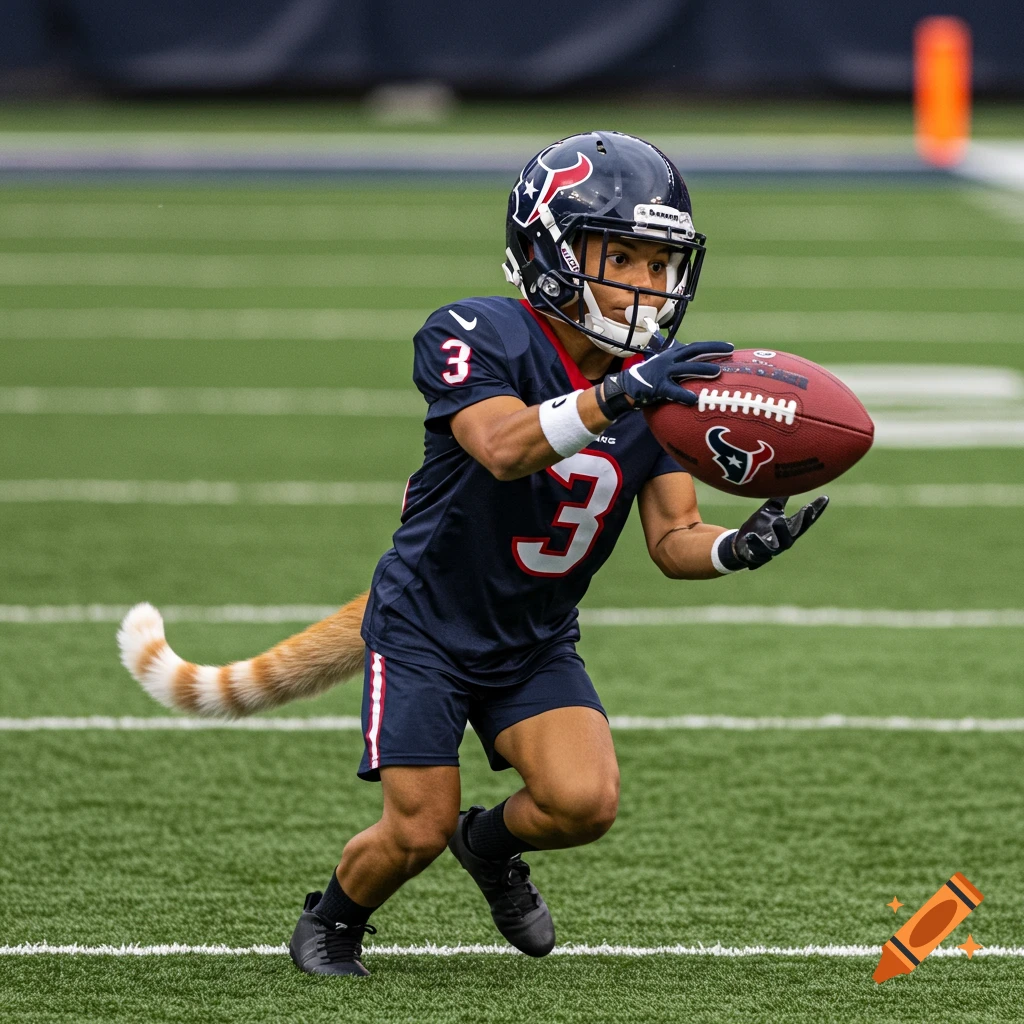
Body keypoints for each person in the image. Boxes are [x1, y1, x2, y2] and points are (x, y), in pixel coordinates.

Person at [288, 131, 828, 976]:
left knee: (584, 804)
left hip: (534, 636)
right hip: (427, 626)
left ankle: (489, 845)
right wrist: (617, 394)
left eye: (662, 265)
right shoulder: (477, 331)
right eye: (623, 258)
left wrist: (733, 549)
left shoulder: (658, 383)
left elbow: (672, 539)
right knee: (414, 829)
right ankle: (334, 918)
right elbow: (502, 447)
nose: (646, 286)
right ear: (549, 250)